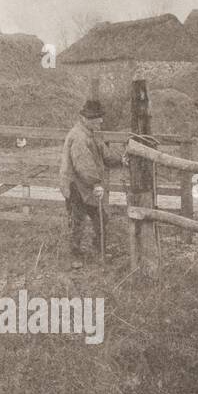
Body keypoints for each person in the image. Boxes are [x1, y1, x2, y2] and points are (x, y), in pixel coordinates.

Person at [59, 98, 124, 268]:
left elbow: (105, 154)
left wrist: (122, 160)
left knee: (101, 217)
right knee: (78, 220)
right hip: (76, 186)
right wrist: (96, 184)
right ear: (86, 119)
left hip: (85, 186)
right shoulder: (79, 137)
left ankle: (98, 252)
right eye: (97, 118)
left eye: (100, 117)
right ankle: (76, 257)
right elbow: (83, 166)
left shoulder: (92, 134)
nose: (101, 120)